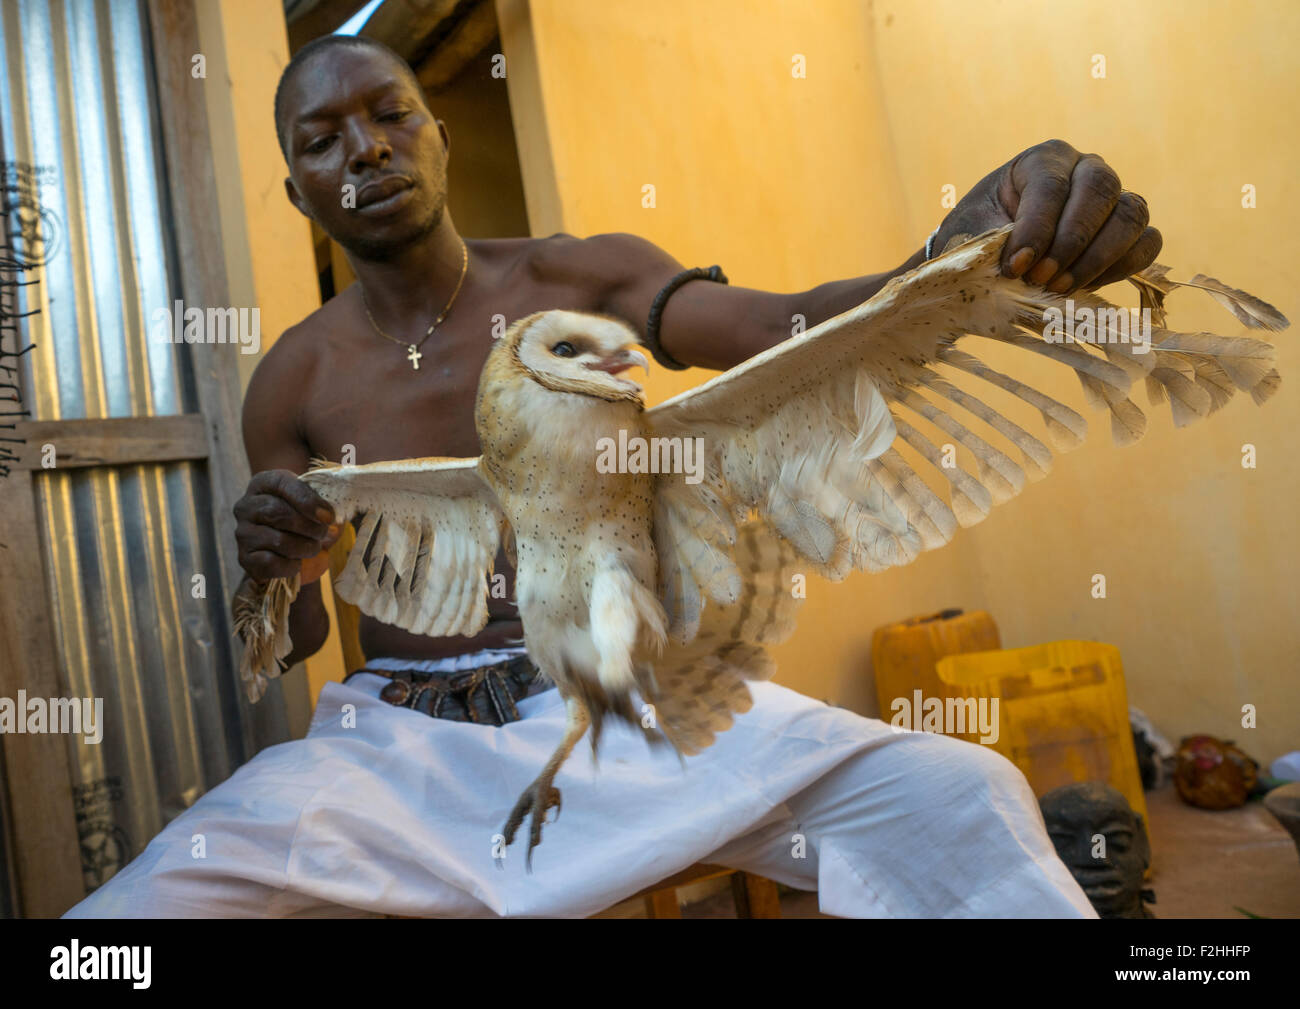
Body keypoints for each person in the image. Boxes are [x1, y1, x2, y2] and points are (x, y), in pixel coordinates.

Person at [65, 32, 1161, 918]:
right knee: (124, 926)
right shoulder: (290, 378)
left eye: (389, 116)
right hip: (395, 752)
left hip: (623, 709)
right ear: (299, 191)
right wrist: (281, 570)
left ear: (438, 138)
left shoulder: (577, 278)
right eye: (321, 140)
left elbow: (780, 328)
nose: (363, 150)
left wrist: (962, 248)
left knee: (957, 792)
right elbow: (296, 641)